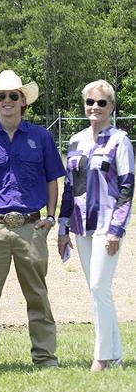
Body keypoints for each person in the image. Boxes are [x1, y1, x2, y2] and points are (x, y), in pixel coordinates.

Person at [0, 70, 65, 372]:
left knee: (37, 295)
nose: (7, 100)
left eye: (13, 95)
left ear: (23, 101)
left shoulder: (41, 137)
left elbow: (52, 180)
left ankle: (45, 359)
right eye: (1, 96)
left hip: (31, 227)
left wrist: (51, 217)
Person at [58, 80, 133, 372]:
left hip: (106, 225)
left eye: (102, 103)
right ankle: (115, 354)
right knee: (97, 289)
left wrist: (116, 230)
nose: (95, 107)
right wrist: (63, 229)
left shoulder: (120, 140)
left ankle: (101, 357)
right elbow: (68, 187)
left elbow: (127, 187)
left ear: (112, 107)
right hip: (81, 225)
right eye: (90, 102)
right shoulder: (75, 141)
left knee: (100, 286)